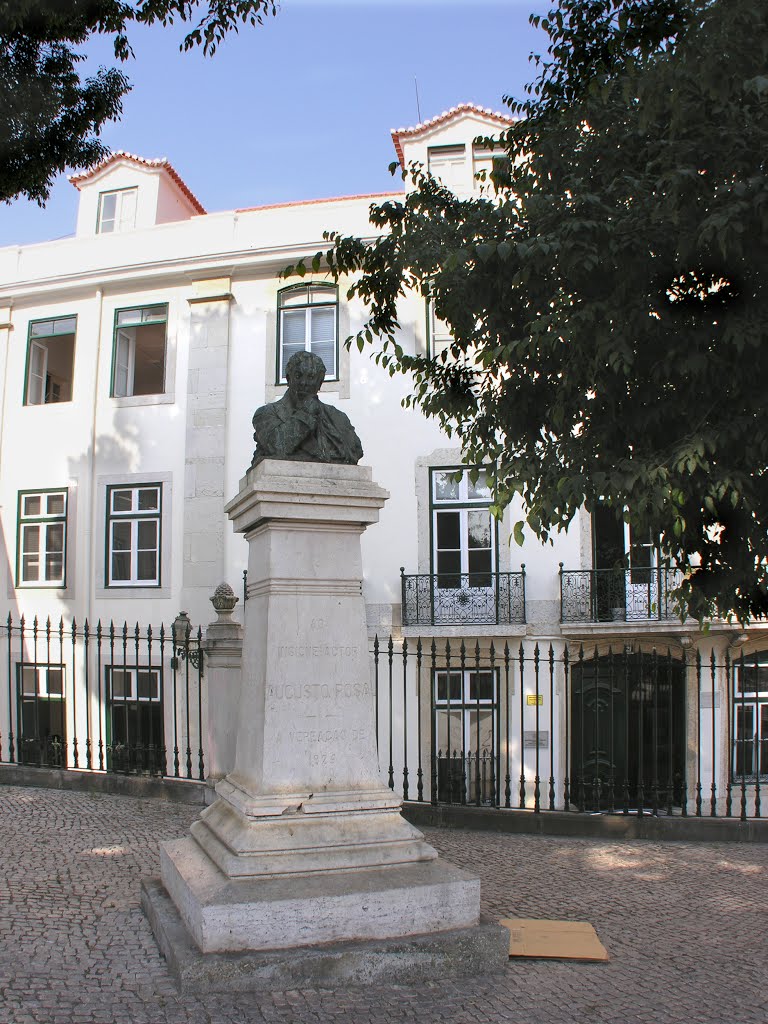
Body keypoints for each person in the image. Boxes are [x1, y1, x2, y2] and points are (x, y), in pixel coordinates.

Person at [250, 350, 364, 466]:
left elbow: (355, 451)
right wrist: (307, 413)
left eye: (311, 377)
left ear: (319, 383)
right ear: (289, 379)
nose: (303, 383)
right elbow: (277, 447)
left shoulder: (338, 418)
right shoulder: (266, 414)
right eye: (298, 376)